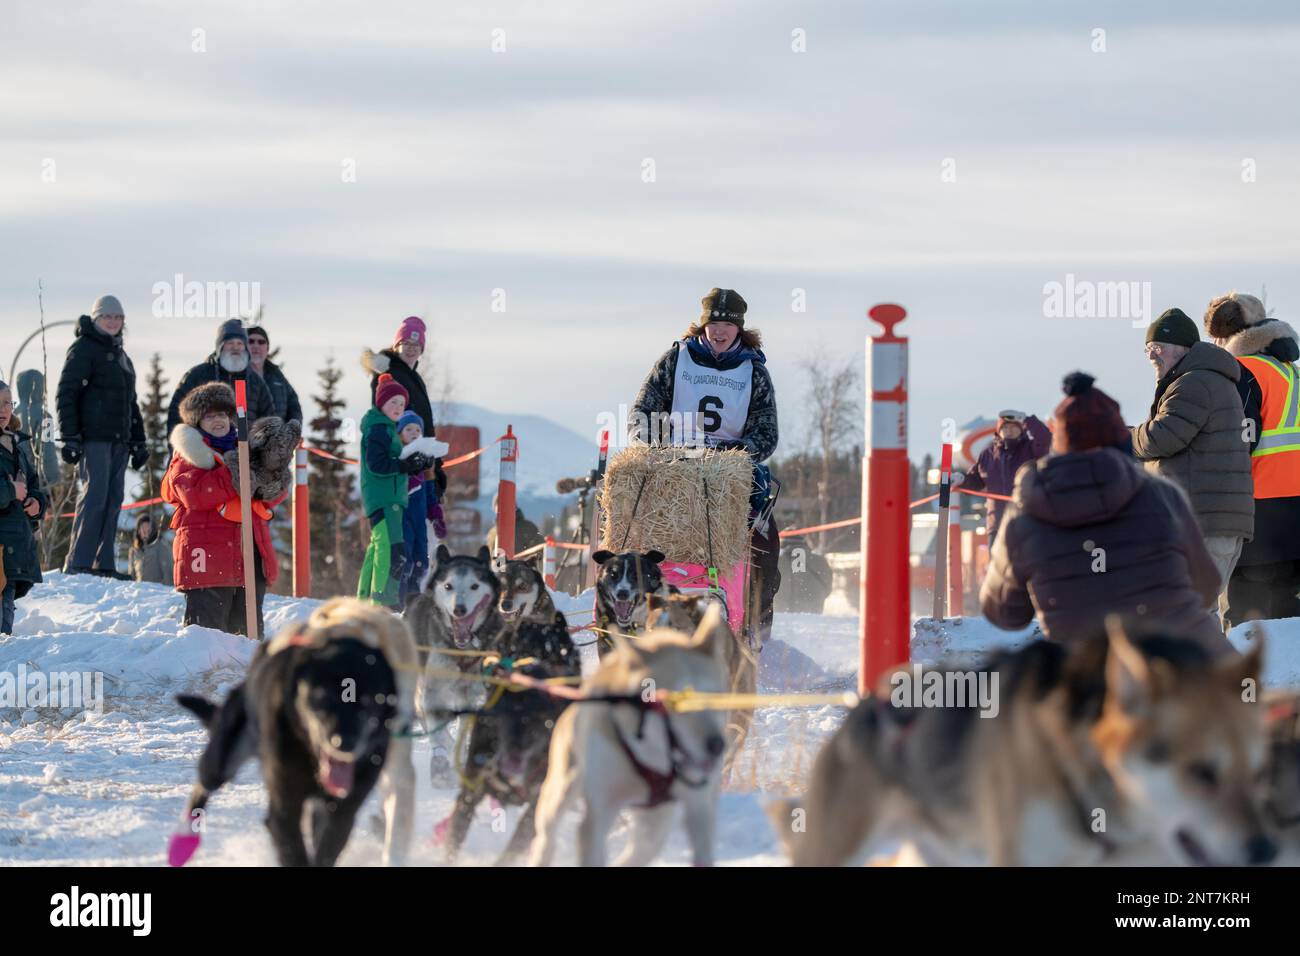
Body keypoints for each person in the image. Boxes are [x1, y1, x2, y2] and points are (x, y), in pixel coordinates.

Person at [980, 372, 1225, 651]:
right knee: (1244, 690)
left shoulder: (1025, 513)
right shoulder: (1162, 496)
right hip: (1184, 658)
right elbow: (1207, 586)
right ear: (1122, 444)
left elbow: (1002, 613)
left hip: (1087, 671)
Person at [628, 287, 781, 639]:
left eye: (728, 323)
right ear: (702, 325)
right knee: (634, 521)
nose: (720, 330)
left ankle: (757, 618)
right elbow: (641, 412)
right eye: (714, 322)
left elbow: (767, 431)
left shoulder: (754, 372)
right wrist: (654, 442)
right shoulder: (675, 360)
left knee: (766, 539)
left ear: (739, 328)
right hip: (674, 463)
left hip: (732, 467)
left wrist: (740, 451)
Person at [1130, 308, 1253, 623]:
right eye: (1147, 348)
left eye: (1157, 347)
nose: (1151, 355)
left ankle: (1203, 671)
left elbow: (1163, 437)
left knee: (1185, 615)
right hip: (1209, 523)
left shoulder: (1194, 383)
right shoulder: (1201, 379)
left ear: (1182, 348)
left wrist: (1123, 438)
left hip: (1205, 524)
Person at [1203, 292, 1300, 626]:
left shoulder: (1242, 370)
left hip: (1257, 509)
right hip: (1293, 510)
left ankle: (1250, 680)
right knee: (1288, 617)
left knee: (1247, 618)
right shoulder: (1288, 370)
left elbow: (1238, 442)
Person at [162, 383, 280, 636]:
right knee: (207, 640)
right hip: (207, 563)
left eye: (223, 414)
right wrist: (235, 472)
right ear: (197, 422)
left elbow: (268, 501)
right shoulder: (188, 455)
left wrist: (275, 475)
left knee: (246, 642)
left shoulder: (247, 451)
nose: (218, 420)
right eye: (210, 415)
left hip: (249, 557)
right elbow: (194, 494)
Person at [55, 296, 148, 576]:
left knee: (113, 498)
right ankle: (79, 562)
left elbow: (131, 403)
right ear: (95, 319)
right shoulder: (84, 349)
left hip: (119, 439)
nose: (112, 321)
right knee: (95, 496)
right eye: (107, 317)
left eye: (117, 317)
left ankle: (103, 563)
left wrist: (139, 440)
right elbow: (66, 392)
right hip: (93, 437)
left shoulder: (122, 356)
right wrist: (70, 436)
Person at [357, 374, 431, 608]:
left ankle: (365, 599)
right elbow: (376, 464)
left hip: (386, 497)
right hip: (384, 498)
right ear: (381, 403)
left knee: (379, 548)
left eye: (401, 403)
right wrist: (404, 465)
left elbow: (394, 460)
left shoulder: (385, 427)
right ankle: (381, 602)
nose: (398, 407)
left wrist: (415, 463)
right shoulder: (379, 428)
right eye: (393, 403)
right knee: (391, 553)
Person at [362, 316, 447, 497]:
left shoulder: (416, 379)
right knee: (406, 521)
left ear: (421, 350)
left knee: (424, 520)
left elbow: (425, 424)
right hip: (402, 462)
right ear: (396, 346)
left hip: (421, 462)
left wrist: (436, 466)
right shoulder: (386, 373)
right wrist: (402, 459)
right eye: (406, 344)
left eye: (416, 345)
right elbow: (383, 418)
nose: (411, 349)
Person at [167, 319, 275, 437]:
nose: (235, 348)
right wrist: (178, 449)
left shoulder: (256, 382)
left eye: (240, 343)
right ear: (220, 346)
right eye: (230, 343)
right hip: (204, 451)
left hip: (246, 452)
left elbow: (269, 421)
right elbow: (176, 415)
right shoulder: (197, 375)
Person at [954, 410, 1050, 542]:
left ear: (1021, 429)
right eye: (1005, 427)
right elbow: (976, 481)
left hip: (1028, 523)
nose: (1009, 431)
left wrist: (1028, 420)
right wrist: (962, 480)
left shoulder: (1031, 450)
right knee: (995, 562)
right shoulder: (987, 454)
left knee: (1027, 563)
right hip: (997, 526)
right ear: (999, 430)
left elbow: (1045, 439)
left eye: (1013, 427)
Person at [0, 383, 48, 633]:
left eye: (7, 402)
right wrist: (11, 491)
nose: (3, 409)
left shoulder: (19, 446)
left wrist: (37, 503)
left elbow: (35, 486)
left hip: (16, 547)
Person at [395, 409, 438, 605]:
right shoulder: (398, 456)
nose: (414, 432)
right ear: (400, 433)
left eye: (418, 429)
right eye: (409, 429)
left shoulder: (424, 457)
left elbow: (429, 488)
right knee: (406, 560)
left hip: (419, 518)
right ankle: (401, 600)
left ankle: (414, 602)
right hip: (402, 517)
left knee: (422, 562)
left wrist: (436, 513)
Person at [245, 325, 303, 424]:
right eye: (251, 341)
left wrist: (292, 431)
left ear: (267, 348)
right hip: (244, 437)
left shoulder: (277, 375)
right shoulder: (235, 374)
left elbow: (294, 406)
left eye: (261, 342)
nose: (256, 346)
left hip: (276, 437)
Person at [128, 512, 174, 585]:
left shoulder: (161, 545)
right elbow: (131, 575)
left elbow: (167, 572)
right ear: (138, 530)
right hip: (139, 591)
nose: (145, 530)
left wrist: (167, 591)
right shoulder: (134, 550)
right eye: (142, 527)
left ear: (153, 529)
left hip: (157, 591)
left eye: (148, 527)